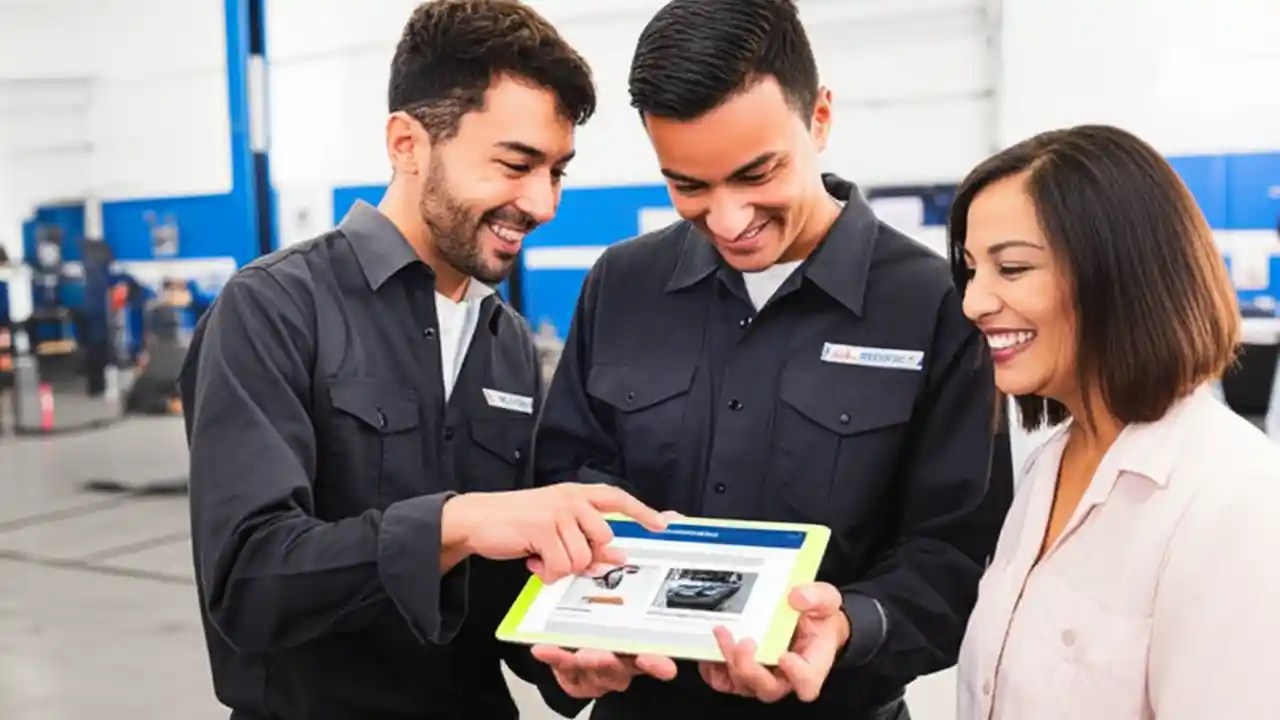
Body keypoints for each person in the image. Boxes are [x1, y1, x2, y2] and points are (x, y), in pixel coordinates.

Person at [177, 2, 668, 718]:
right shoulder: (273, 310)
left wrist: (569, 657)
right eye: (515, 164)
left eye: (557, 171)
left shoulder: (504, 344)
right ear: (408, 144)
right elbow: (250, 582)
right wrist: (456, 523)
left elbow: (495, 597)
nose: (543, 202)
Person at [528, 1, 1013, 717]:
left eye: (758, 174)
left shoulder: (935, 301)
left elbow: (958, 551)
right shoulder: (620, 285)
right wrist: (574, 624)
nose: (728, 219)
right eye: (688, 185)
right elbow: (565, 488)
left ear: (818, 117)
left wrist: (850, 623)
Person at [950, 124, 1280, 719]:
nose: (974, 301)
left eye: (1014, 268)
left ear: (1122, 272)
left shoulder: (1233, 500)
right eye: (973, 269)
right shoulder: (1051, 461)